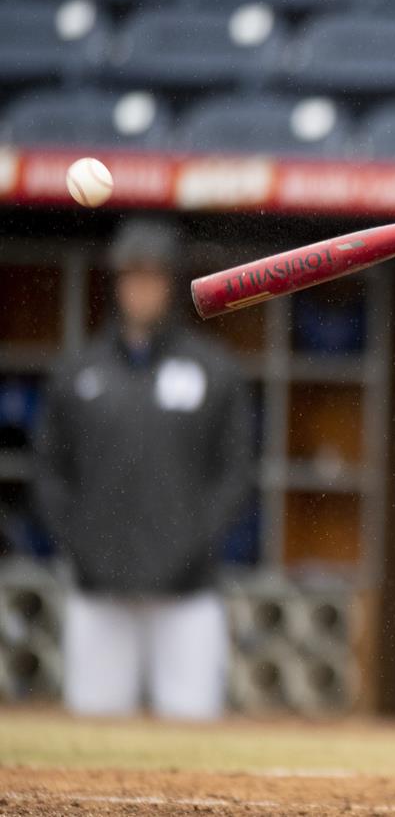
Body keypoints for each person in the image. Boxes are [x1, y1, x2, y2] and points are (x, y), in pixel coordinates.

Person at [32, 218, 252, 721]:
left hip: (187, 590)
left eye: (154, 278)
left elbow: (236, 474)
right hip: (98, 587)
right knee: (93, 731)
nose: (142, 290)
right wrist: (83, 546)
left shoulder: (213, 370)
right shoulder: (78, 372)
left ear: (174, 285)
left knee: (192, 727)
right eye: (132, 277)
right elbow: (49, 473)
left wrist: (192, 543)